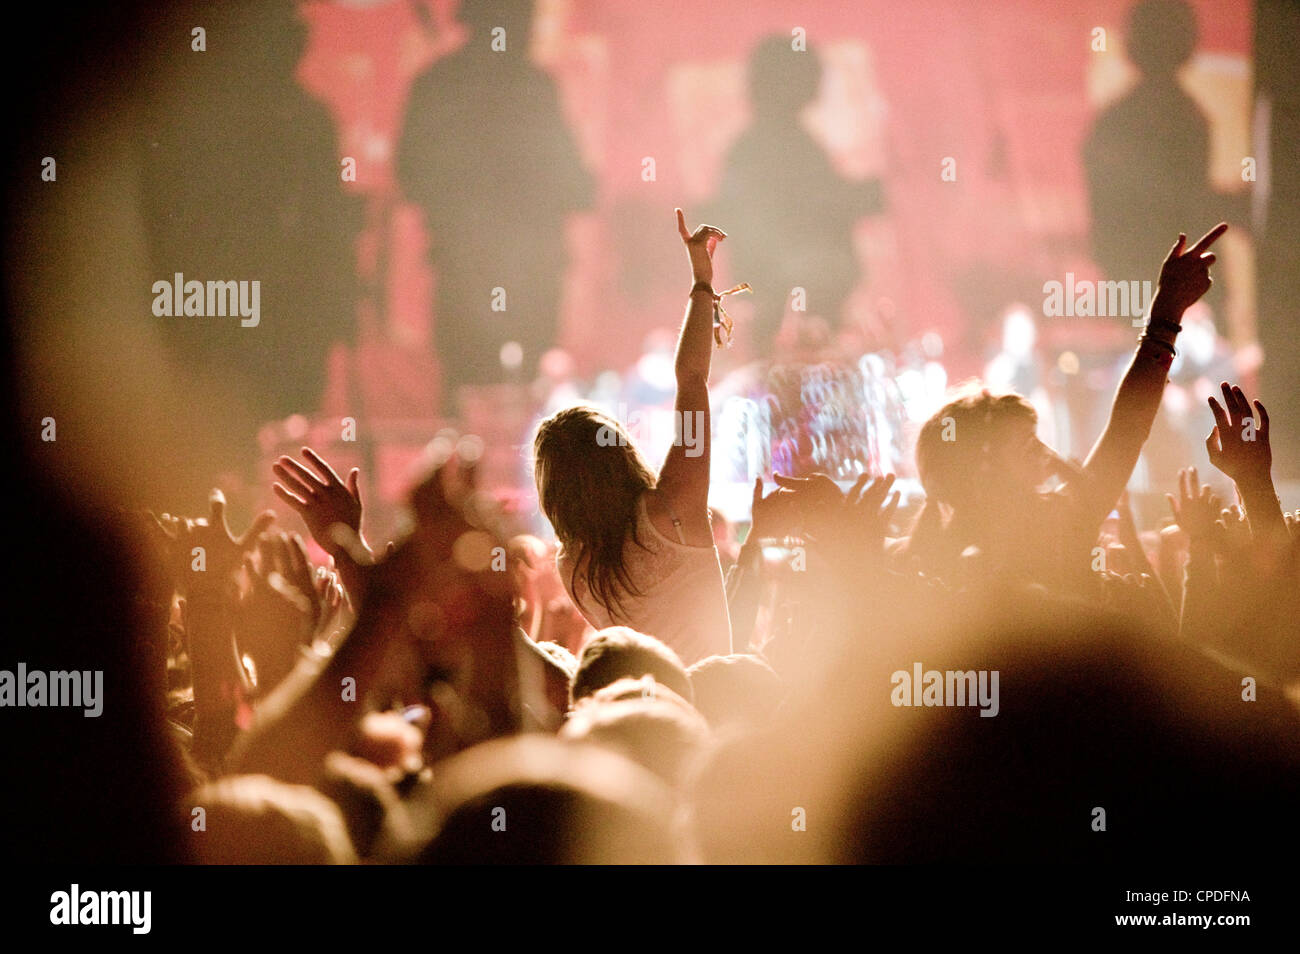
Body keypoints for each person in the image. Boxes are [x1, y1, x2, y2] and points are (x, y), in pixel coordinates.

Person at [531, 210, 734, 665]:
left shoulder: (573, 568)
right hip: (718, 704)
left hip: (648, 713)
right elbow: (693, 380)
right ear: (619, 453)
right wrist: (703, 282)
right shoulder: (675, 508)